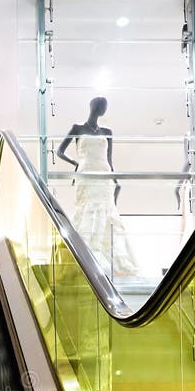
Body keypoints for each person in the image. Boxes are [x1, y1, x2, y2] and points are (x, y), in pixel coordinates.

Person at [57, 97, 138, 277]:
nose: (103, 109)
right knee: (86, 212)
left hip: (104, 176)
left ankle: (112, 266)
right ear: (93, 106)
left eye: (105, 106)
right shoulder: (77, 128)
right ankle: (84, 260)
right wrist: (75, 164)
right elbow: (59, 151)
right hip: (86, 174)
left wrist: (115, 180)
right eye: (101, 106)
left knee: (107, 215)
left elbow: (109, 160)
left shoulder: (107, 131)